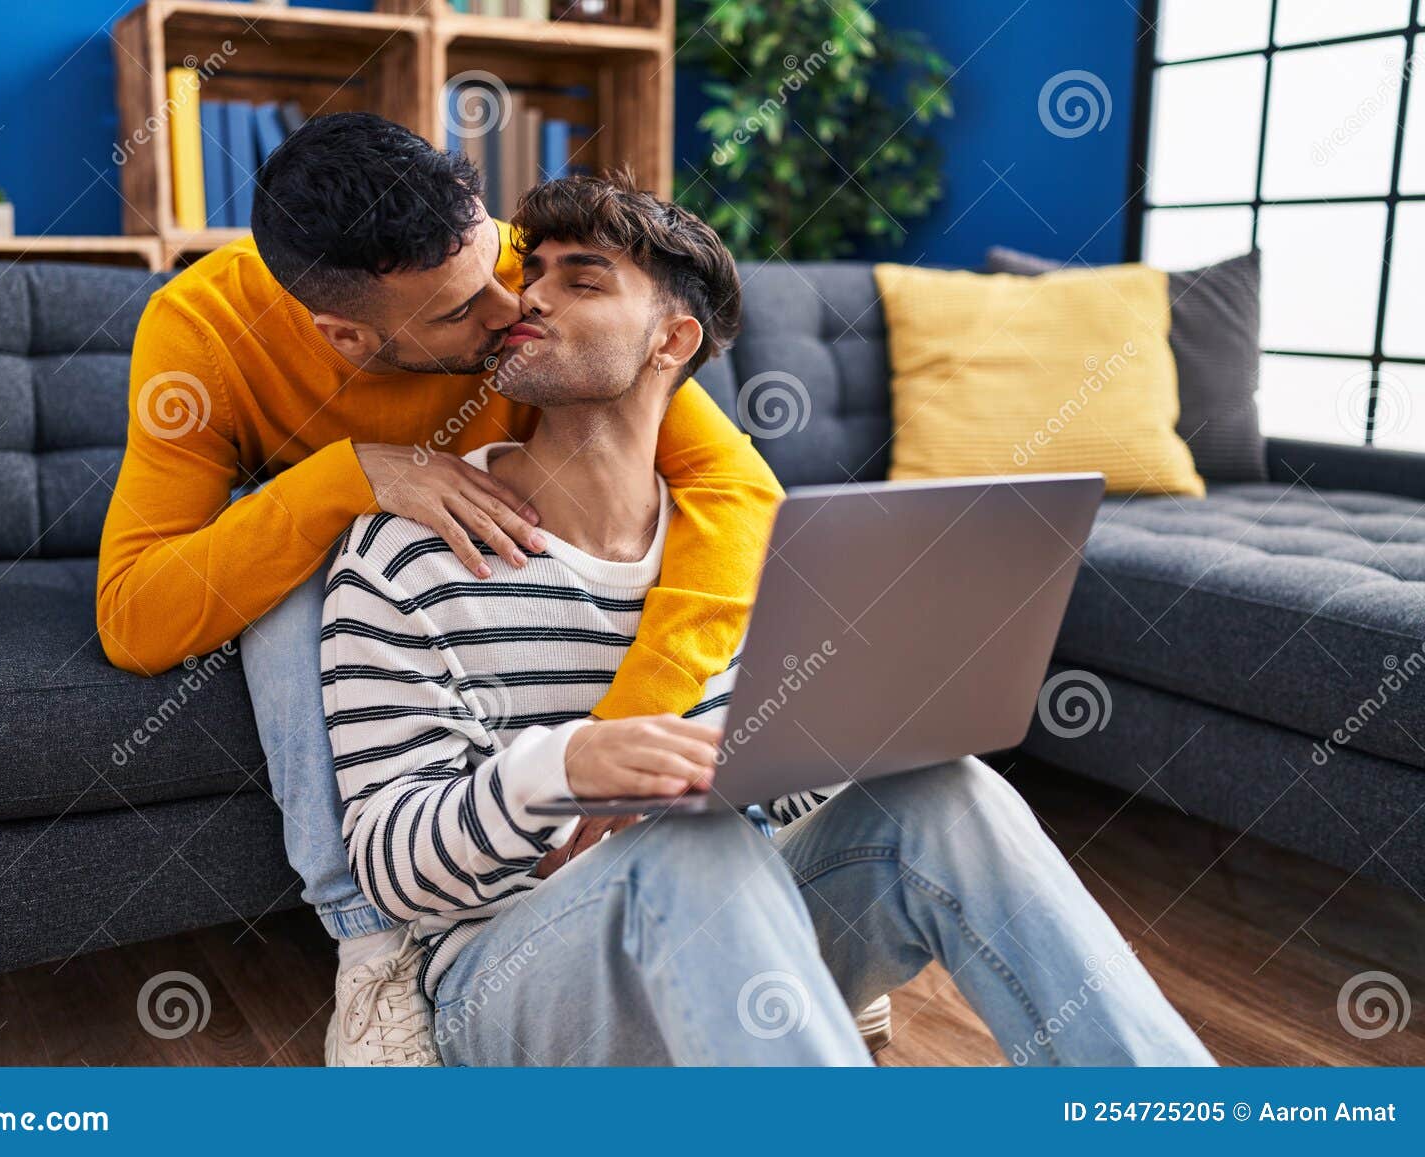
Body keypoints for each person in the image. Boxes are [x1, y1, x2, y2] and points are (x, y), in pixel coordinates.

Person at [320, 173, 1216, 1066]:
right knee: (687, 853)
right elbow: (394, 872)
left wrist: (846, 745)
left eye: (581, 280)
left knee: (950, 790)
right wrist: (563, 765)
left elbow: (778, 795)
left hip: (744, 941)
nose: (529, 298)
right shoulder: (406, 553)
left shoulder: (738, 556)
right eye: (535, 271)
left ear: (673, 340)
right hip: (507, 977)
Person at [95, 114, 783, 1064]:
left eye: (506, 267)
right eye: (464, 313)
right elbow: (134, 616)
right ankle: (372, 948)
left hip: (522, 590)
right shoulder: (200, 333)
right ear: (346, 334)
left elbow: (740, 489)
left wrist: (624, 736)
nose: (513, 312)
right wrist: (351, 476)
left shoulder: (510, 276)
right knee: (295, 571)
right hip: (370, 572)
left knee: (696, 536)